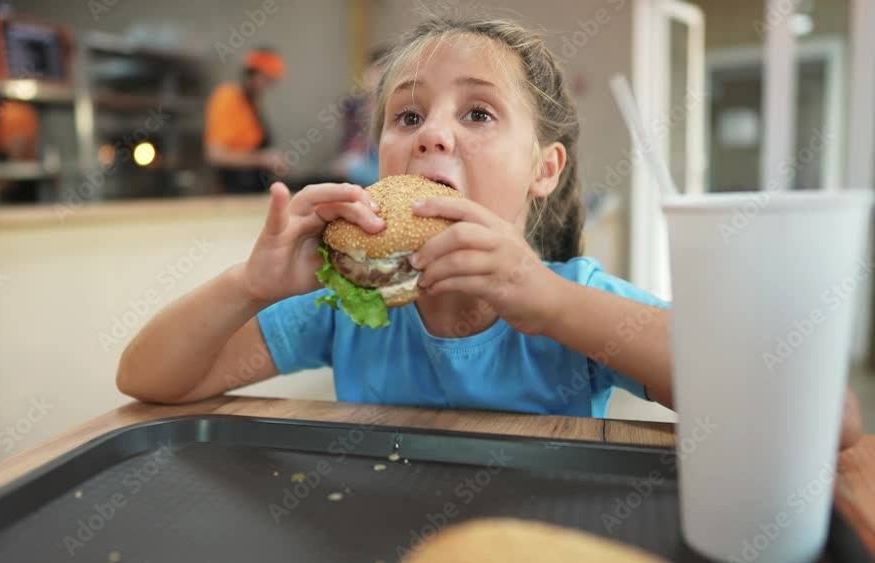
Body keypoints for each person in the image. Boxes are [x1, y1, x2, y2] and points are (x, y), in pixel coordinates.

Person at [119, 17, 864, 450]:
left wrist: (547, 301)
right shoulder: (345, 307)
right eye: (407, 116)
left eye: (477, 114)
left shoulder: (574, 304)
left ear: (545, 169)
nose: (431, 135)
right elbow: (148, 380)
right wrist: (248, 286)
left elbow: (821, 417)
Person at [204, 47, 286, 194]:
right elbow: (216, 155)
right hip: (233, 192)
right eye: (266, 79)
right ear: (252, 74)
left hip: (255, 190)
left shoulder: (254, 104)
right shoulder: (228, 98)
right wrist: (262, 159)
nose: (268, 86)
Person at [329, 45, 389, 187]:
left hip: (380, 177)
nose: (372, 79)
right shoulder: (352, 106)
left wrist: (354, 170)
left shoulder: (397, 110)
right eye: (370, 72)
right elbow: (347, 146)